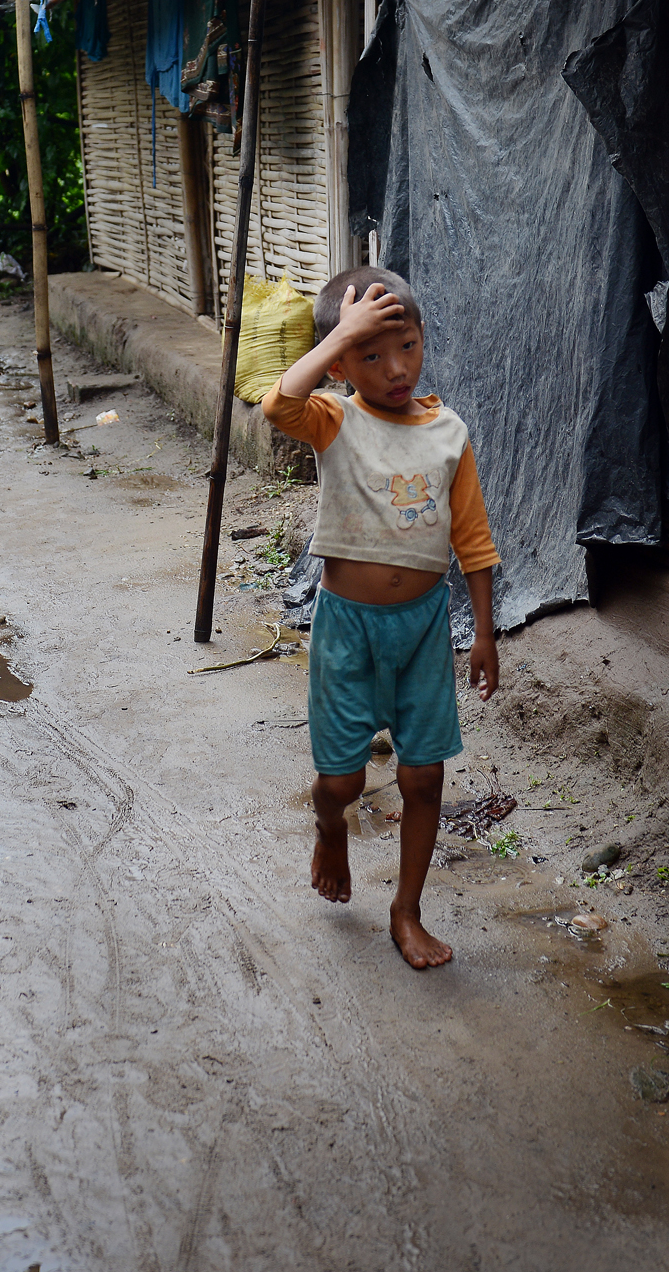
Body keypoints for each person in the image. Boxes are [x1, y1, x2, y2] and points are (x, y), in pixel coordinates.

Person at [261, 266, 499, 969]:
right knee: (339, 781)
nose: (396, 369)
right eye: (371, 353)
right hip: (348, 631)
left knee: (424, 776)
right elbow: (277, 404)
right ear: (339, 362)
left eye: (408, 346)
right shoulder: (334, 418)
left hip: (424, 628)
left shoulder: (448, 433)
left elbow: (474, 540)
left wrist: (483, 632)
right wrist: (342, 331)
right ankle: (329, 825)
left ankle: (407, 909)